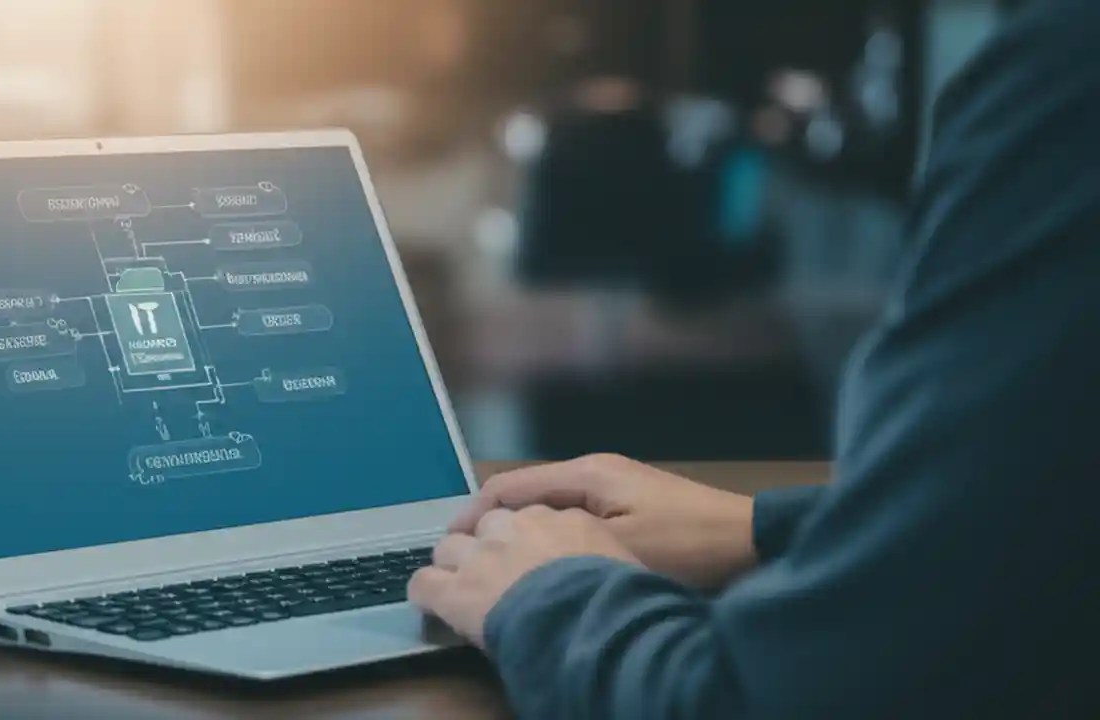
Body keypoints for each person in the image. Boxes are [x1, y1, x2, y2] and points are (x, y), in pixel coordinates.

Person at [408, 1, 1100, 717]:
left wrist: (554, 596)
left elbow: (770, 701)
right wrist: (770, 531)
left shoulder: (1068, 73)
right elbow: (1056, 515)